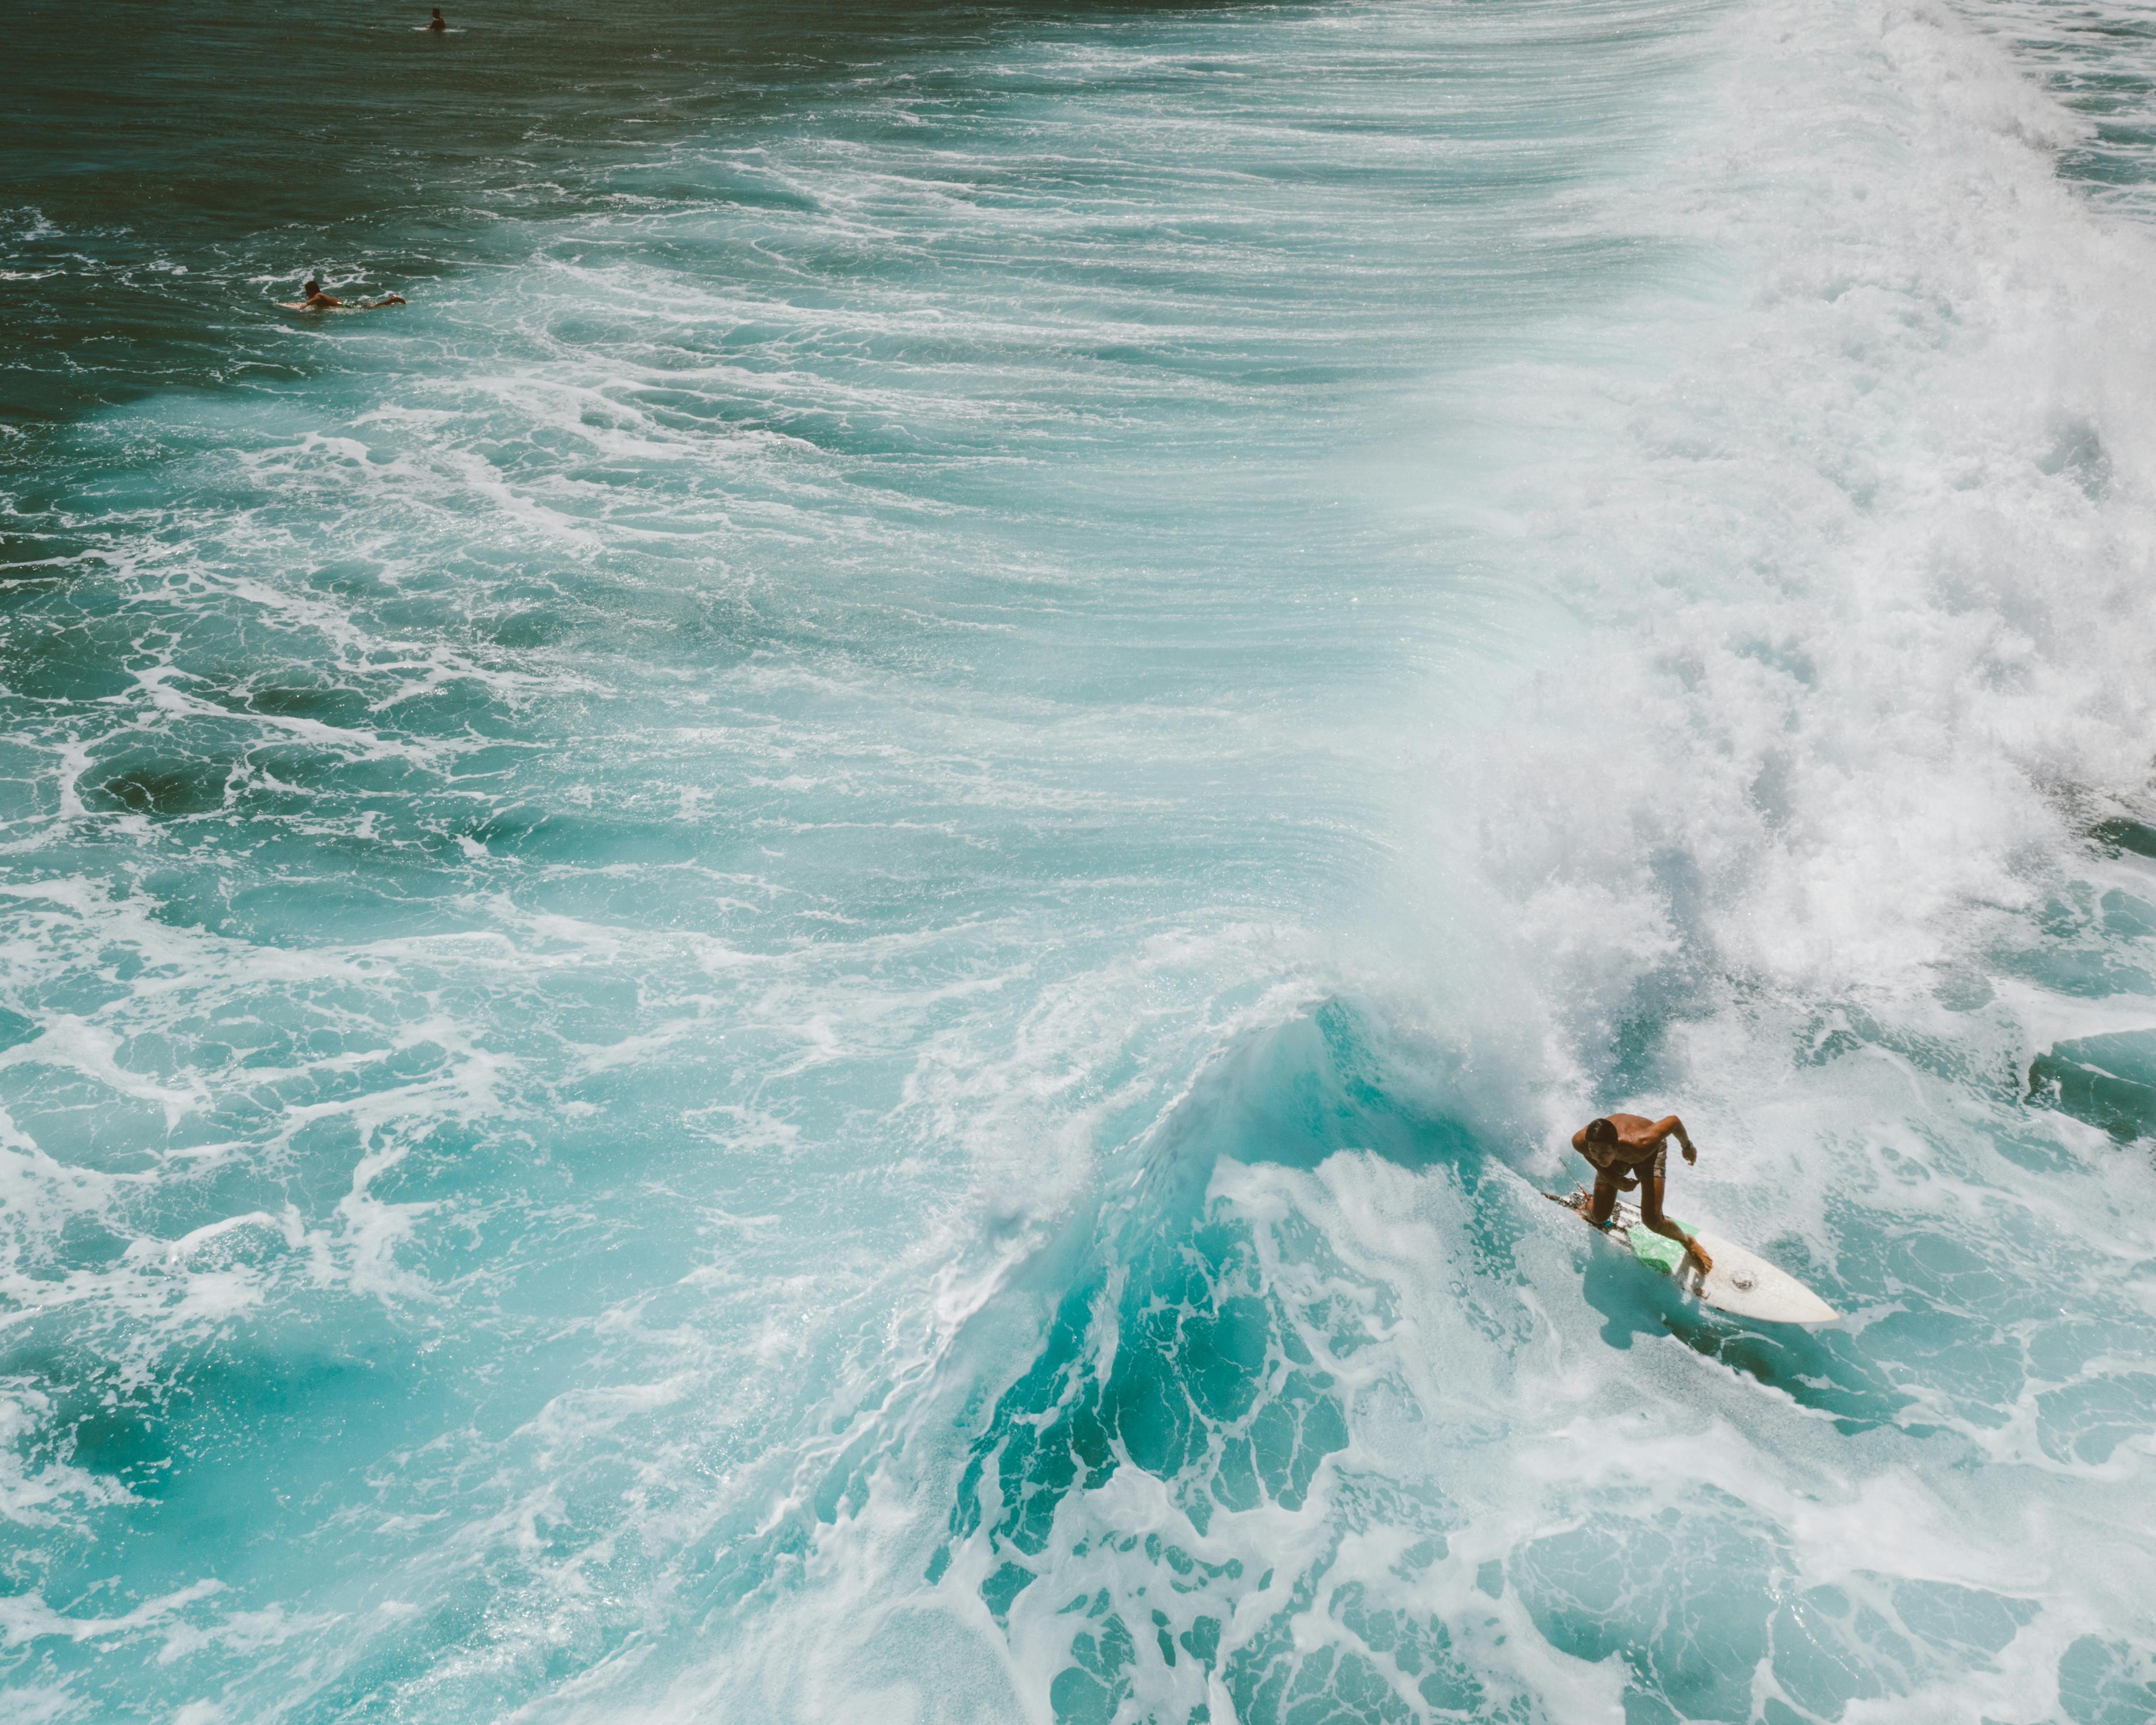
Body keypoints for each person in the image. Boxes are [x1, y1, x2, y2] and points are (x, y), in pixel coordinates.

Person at [1565, 1112, 1712, 1276]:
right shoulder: (1580, 1142)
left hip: (1649, 1155)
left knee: (1653, 1221)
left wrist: (1688, 1147)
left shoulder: (1642, 1144)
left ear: (1616, 1147)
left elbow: (1674, 1121)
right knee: (1598, 1217)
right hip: (1617, 1154)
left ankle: (1688, 1242)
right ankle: (1587, 1205)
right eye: (1593, 1150)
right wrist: (1612, 1178)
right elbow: (1592, 1155)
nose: (1599, 1158)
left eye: (1605, 1152)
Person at [282, 279, 407, 311]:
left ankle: (392, 300)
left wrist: (305, 304)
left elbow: (315, 299)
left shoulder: (319, 296)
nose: (306, 294)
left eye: (307, 292)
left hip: (347, 306)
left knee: (374, 307)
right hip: (347, 304)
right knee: (372, 305)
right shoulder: (320, 296)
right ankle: (391, 301)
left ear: (312, 291)